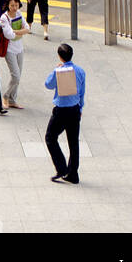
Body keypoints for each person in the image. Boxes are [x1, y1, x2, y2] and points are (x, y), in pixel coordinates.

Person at [44, 42, 86, 184]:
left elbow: (48, 84)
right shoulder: (80, 71)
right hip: (74, 109)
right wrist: (80, 108)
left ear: (60, 57)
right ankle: (73, 174)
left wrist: (55, 70)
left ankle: (61, 167)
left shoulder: (59, 71)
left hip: (61, 110)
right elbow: (82, 92)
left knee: (50, 137)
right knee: (74, 143)